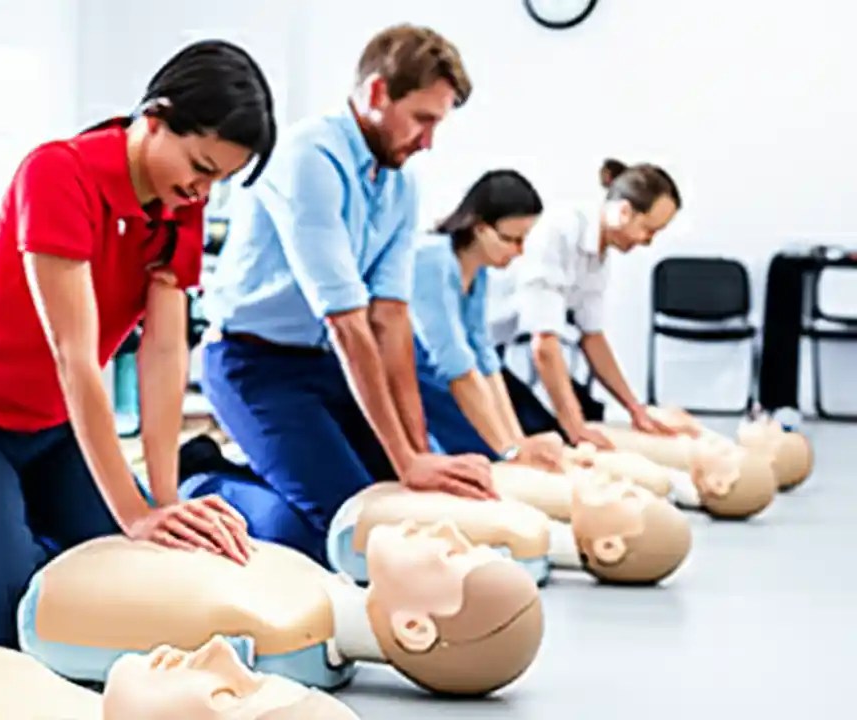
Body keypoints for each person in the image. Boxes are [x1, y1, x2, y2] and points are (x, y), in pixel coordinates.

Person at [0, 40, 277, 650]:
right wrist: (134, 513)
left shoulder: (180, 204)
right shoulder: (57, 174)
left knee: (122, 583)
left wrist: (164, 501)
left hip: (51, 431)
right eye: (200, 168)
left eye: (219, 180)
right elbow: (76, 357)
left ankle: (8, 537)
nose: (203, 191)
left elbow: (164, 353)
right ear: (156, 119)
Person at [189, 23, 494, 569]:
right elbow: (348, 322)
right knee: (344, 535)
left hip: (323, 365)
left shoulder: (400, 182)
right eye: (422, 119)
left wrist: (415, 456)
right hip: (251, 365)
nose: (428, 141)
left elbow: (390, 319)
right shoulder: (309, 156)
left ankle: (276, 466)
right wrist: (405, 457)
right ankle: (202, 480)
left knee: (402, 503)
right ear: (377, 93)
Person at [492, 162, 684, 450]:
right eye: (648, 230)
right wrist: (574, 427)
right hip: (482, 348)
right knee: (543, 438)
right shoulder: (560, 230)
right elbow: (544, 345)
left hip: (511, 350)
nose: (648, 242)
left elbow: (592, 336)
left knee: (587, 415)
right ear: (624, 212)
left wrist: (635, 409)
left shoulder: (598, 255)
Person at [410, 169, 562, 469]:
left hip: (438, 378)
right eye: (511, 239)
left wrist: (516, 441)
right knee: (482, 458)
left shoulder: (478, 273)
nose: (519, 251)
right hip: (410, 380)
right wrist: (508, 451)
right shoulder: (432, 259)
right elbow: (454, 362)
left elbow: (484, 356)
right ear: (479, 228)